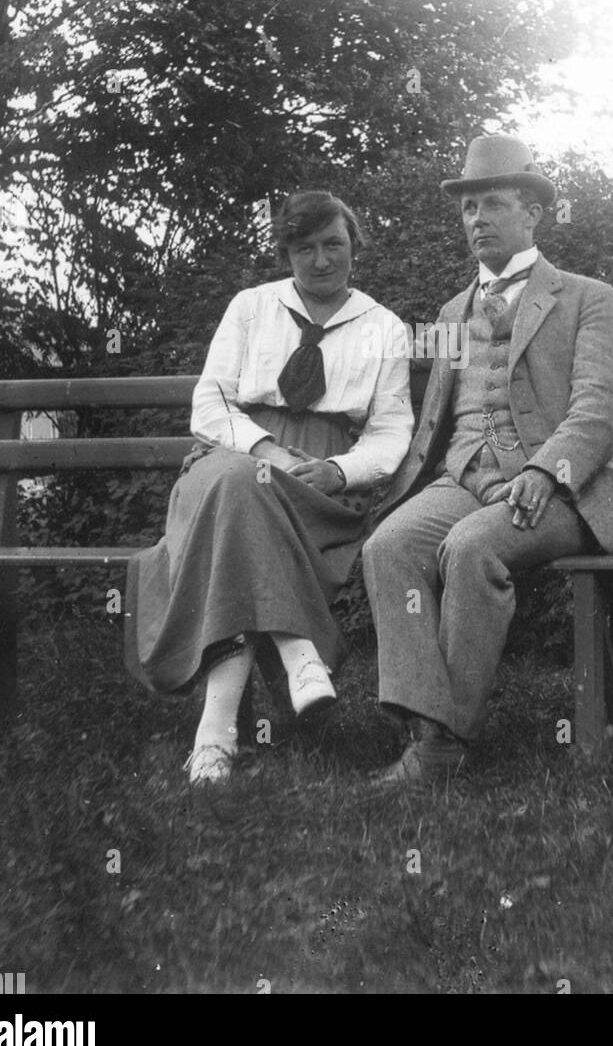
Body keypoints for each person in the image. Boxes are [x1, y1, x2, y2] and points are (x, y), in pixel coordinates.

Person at [362, 134, 613, 788]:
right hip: (468, 480)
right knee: (388, 545)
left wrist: (546, 470)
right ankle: (433, 728)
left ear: (533, 213)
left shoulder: (586, 297)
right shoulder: (453, 311)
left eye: (491, 204)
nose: (477, 219)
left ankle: (439, 746)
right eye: (466, 209)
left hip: (567, 491)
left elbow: (603, 404)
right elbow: (444, 420)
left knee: (469, 549)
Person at [125, 191, 413, 786]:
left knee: (236, 514)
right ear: (285, 252)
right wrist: (266, 451)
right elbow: (211, 402)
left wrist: (340, 471)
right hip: (233, 451)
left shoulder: (382, 327)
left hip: (319, 479)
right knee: (240, 483)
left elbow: (390, 431)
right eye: (303, 248)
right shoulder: (252, 307)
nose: (321, 260)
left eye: (333, 244)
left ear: (354, 244)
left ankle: (216, 735)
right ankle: (295, 650)